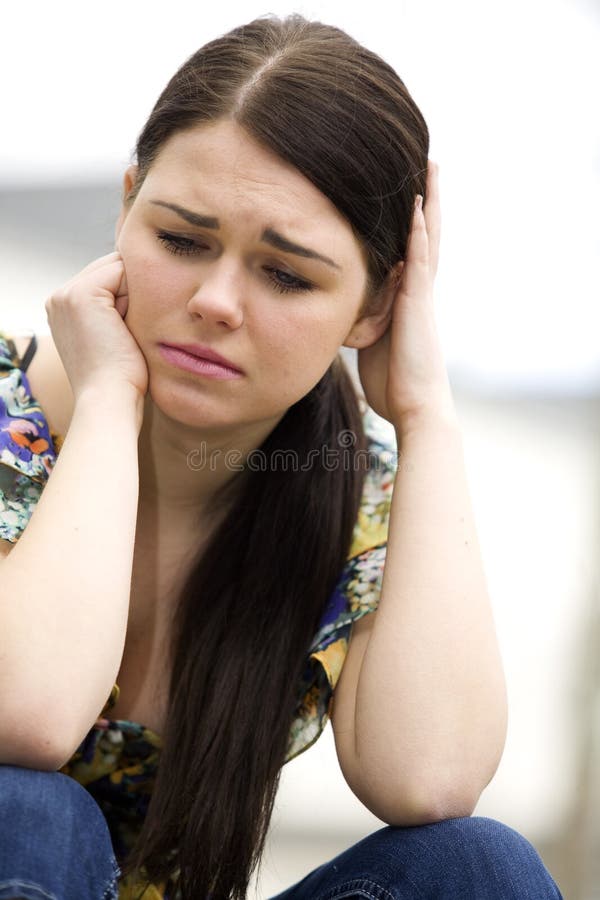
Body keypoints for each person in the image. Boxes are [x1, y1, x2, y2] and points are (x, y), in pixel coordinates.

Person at [0, 13, 563, 900]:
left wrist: (426, 416)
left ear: (374, 309)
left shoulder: (358, 486)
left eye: (287, 275)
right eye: (181, 240)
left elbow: (429, 779)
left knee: (472, 865)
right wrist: (110, 399)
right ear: (126, 208)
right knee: (29, 814)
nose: (216, 301)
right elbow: (23, 716)